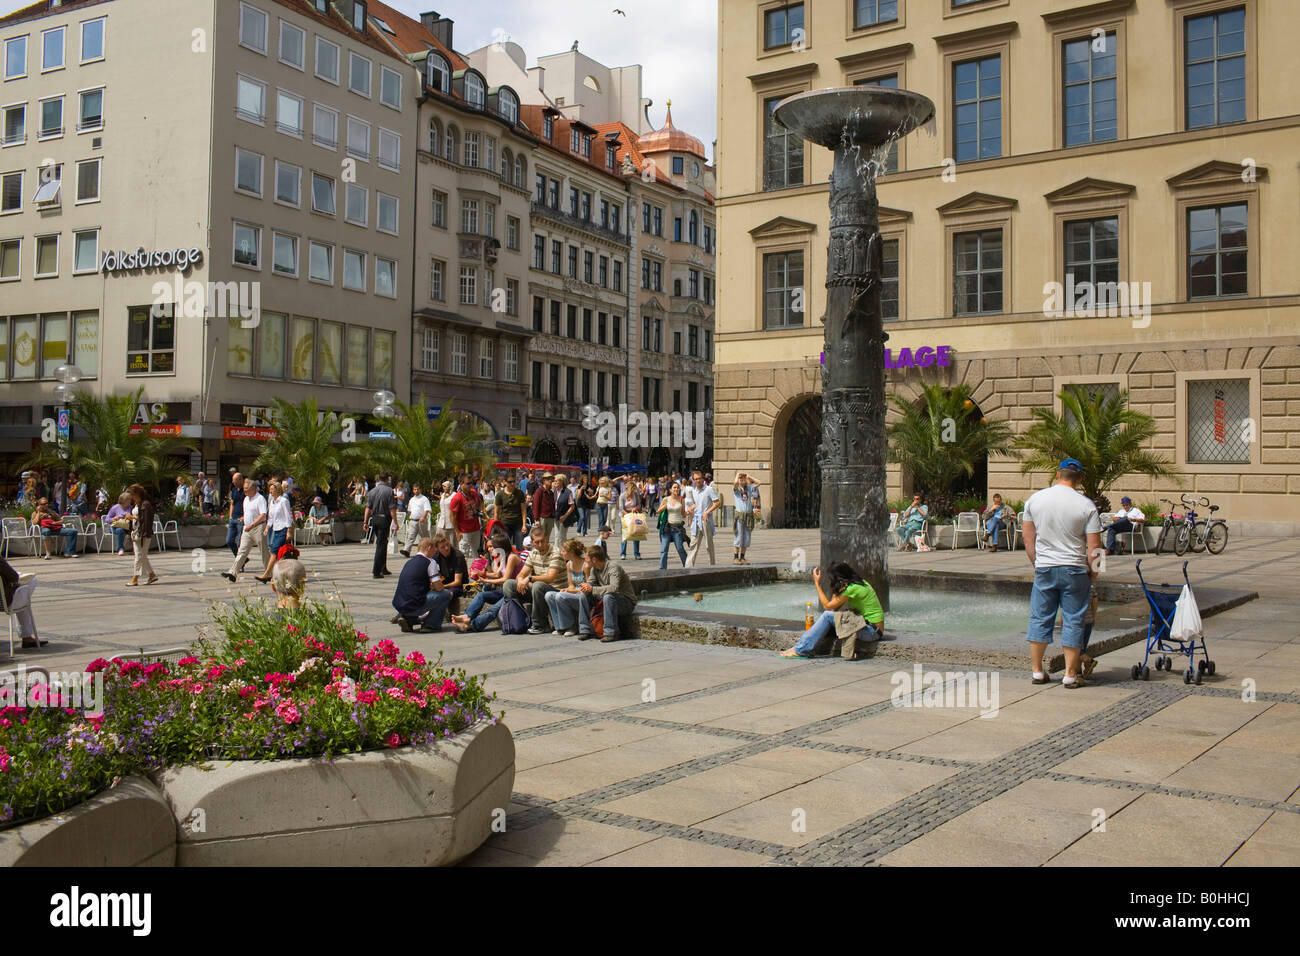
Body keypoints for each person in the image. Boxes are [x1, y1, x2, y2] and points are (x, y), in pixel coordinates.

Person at [1022, 458, 1103, 689]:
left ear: (1058, 475)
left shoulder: (1035, 500)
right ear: (1079, 479)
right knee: (1074, 619)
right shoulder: (1087, 505)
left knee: (1040, 617)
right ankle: (1069, 674)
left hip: (1045, 567)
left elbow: (1028, 538)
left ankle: (1037, 671)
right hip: (1075, 569)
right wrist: (1095, 572)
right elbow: (1095, 546)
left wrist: (1037, 563)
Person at [780, 564, 885, 658]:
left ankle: (800, 649)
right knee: (831, 619)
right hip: (871, 629)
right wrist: (837, 589)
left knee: (826, 616)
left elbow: (827, 606)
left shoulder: (852, 589)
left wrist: (817, 583)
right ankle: (800, 647)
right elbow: (835, 608)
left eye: (832, 580)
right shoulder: (859, 583)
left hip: (871, 632)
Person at [505, 526, 564, 635]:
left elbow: (550, 577)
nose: (540, 544)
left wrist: (529, 578)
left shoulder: (555, 553)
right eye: (537, 542)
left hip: (555, 589)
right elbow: (521, 574)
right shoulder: (533, 553)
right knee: (508, 584)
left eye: (542, 541)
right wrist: (520, 581)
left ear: (547, 539)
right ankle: (517, 619)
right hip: (538, 589)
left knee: (538, 585)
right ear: (532, 542)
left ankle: (540, 624)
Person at [577, 546, 637, 643]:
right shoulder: (594, 569)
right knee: (583, 595)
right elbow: (591, 584)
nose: (585, 560)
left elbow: (614, 588)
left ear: (594, 559)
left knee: (608, 597)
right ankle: (584, 629)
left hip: (625, 602)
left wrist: (592, 589)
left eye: (587, 558)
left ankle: (610, 632)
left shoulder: (613, 567)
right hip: (606, 598)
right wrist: (586, 587)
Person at [392, 537, 449, 633]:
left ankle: (408, 619)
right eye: (435, 550)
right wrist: (439, 586)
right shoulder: (430, 562)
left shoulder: (409, 562)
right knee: (445, 594)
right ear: (429, 548)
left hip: (399, 604)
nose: (436, 553)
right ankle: (431, 624)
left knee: (416, 595)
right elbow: (439, 587)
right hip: (414, 604)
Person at [222, 478, 268, 583]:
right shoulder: (246, 499)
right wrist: (244, 519)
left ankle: (269, 572)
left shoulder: (260, 499)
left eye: (246, 489)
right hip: (246, 528)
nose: (245, 491)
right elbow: (248, 512)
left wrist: (252, 524)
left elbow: (263, 514)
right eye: (244, 489)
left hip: (258, 528)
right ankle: (233, 572)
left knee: (264, 551)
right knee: (242, 551)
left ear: (253, 489)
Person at [544, 538, 590, 636]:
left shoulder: (585, 566)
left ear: (571, 553)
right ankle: (559, 627)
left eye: (564, 551)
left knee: (560, 596)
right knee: (549, 595)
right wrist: (567, 590)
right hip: (574, 594)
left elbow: (588, 588)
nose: (561, 553)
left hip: (583, 597)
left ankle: (570, 626)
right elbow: (571, 585)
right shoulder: (569, 564)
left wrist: (569, 591)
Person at [254, 481, 293, 583]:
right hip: (275, 529)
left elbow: (288, 517)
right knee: (279, 554)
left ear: (278, 490)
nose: (270, 491)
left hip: (283, 529)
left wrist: (289, 531)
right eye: (270, 489)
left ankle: (266, 574)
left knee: (273, 552)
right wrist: (267, 527)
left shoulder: (283, 501)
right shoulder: (272, 502)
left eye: (272, 489)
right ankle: (278, 575)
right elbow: (271, 518)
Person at [1, 555, 42, 648]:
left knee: (22, 599)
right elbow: (13, 576)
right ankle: (26, 636)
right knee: (32, 581)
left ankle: (27, 636)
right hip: (5, 603)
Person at [364, 473, 398, 579]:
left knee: (382, 542)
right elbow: (392, 508)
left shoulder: (372, 491)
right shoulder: (389, 491)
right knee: (381, 545)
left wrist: (365, 522)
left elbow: (368, 508)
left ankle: (383, 568)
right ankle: (376, 571)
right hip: (384, 519)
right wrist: (396, 522)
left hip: (375, 519)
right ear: (387, 479)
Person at [683, 470, 720, 567]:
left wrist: (707, 512)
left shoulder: (708, 489)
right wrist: (692, 507)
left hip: (705, 520)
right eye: (695, 479)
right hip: (696, 520)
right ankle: (688, 567)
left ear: (703, 479)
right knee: (693, 544)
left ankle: (712, 566)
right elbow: (697, 503)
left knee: (709, 545)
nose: (698, 481)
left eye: (699, 478)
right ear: (693, 480)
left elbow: (717, 502)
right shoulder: (694, 491)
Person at [126, 484, 159, 586]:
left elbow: (146, 520)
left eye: (132, 495)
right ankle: (152, 575)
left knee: (139, 556)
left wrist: (133, 518)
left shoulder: (145, 504)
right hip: (136, 533)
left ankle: (135, 578)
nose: (131, 497)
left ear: (137, 494)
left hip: (142, 534)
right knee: (142, 556)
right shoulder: (138, 504)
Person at [449, 476, 484, 565]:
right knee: (464, 554)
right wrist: (457, 531)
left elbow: (480, 502)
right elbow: (452, 516)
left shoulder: (473, 492)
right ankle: (463, 574)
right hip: (464, 531)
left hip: (475, 528)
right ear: (461, 484)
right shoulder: (457, 498)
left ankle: (476, 572)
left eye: (472, 483)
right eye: (468, 483)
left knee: (476, 552)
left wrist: (481, 510)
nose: (471, 485)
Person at [656, 480, 688, 570]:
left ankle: (687, 565)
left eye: (678, 487)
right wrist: (665, 506)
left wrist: (688, 512)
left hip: (678, 528)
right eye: (674, 487)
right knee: (664, 550)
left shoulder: (681, 499)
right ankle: (662, 569)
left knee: (680, 548)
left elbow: (683, 514)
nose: (676, 489)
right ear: (670, 489)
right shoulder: (665, 499)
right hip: (667, 528)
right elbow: (658, 511)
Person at [732, 473, 762, 564]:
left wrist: (749, 476)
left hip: (748, 515)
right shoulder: (737, 490)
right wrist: (737, 475)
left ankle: (743, 557)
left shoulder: (749, 488)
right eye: (740, 479)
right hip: (740, 516)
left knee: (746, 537)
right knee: (739, 536)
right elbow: (735, 484)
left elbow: (759, 482)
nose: (741, 480)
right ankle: (736, 558)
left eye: (743, 479)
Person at [493, 475, 528, 550]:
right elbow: (496, 512)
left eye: (513, 481)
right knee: (505, 547)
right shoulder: (500, 494)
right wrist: (496, 525)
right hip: (505, 524)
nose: (512, 483)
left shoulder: (520, 493)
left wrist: (524, 524)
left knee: (520, 547)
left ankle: (519, 561)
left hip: (518, 524)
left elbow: (524, 510)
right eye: (510, 482)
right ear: (505, 482)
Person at [401, 483, 431, 557]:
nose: (416, 491)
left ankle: (428, 550)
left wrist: (423, 517)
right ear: (413, 490)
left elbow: (427, 509)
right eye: (414, 489)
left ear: (420, 490)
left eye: (417, 489)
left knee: (424, 537)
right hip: (413, 520)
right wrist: (407, 518)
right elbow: (410, 510)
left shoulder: (424, 499)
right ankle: (407, 550)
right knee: (410, 536)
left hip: (421, 521)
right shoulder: (412, 499)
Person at [617, 480, 642, 560]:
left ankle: (637, 553)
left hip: (634, 516)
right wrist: (627, 514)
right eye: (632, 490)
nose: (633, 492)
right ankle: (623, 553)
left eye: (634, 490)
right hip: (625, 516)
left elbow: (639, 504)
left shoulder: (635, 495)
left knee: (636, 535)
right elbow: (621, 508)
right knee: (625, 535)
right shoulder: (622, 496)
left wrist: (636, 508)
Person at [531, 472, 557, 544]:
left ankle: (546, 553)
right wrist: (536, 519)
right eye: (548, 479)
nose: (550, 481)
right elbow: (535, 505)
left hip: (550, 517)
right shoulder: (539, 491)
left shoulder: (551, 492)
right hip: (542, 518)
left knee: (547, 538)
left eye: (551, 479)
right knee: (541, 538)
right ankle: (541, 553)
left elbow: (552, 505)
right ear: (543, 481)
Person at [225, 471, 245, 557]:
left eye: (235, 480)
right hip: (233, 518)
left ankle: (240, 563)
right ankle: (240, 559)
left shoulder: (246, 490)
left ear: (240, 480)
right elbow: (232, 503)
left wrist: (244, 517)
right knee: (229, 541)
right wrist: (230, 516)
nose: (233, 482)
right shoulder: (233, 490)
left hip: (241, 519)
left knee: (239, 542)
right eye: (233, 480)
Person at [553, 474, 575, 545]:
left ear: (562, 482)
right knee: (556, 536)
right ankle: (557, 552)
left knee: (562, 536)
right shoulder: (554, 491)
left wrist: (565, 516)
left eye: (557, 481)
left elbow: (572, 506)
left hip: (564, 517)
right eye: (554, 481)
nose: (555, 482)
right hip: (556, 516)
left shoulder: (568, 492)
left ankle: (563, 551)